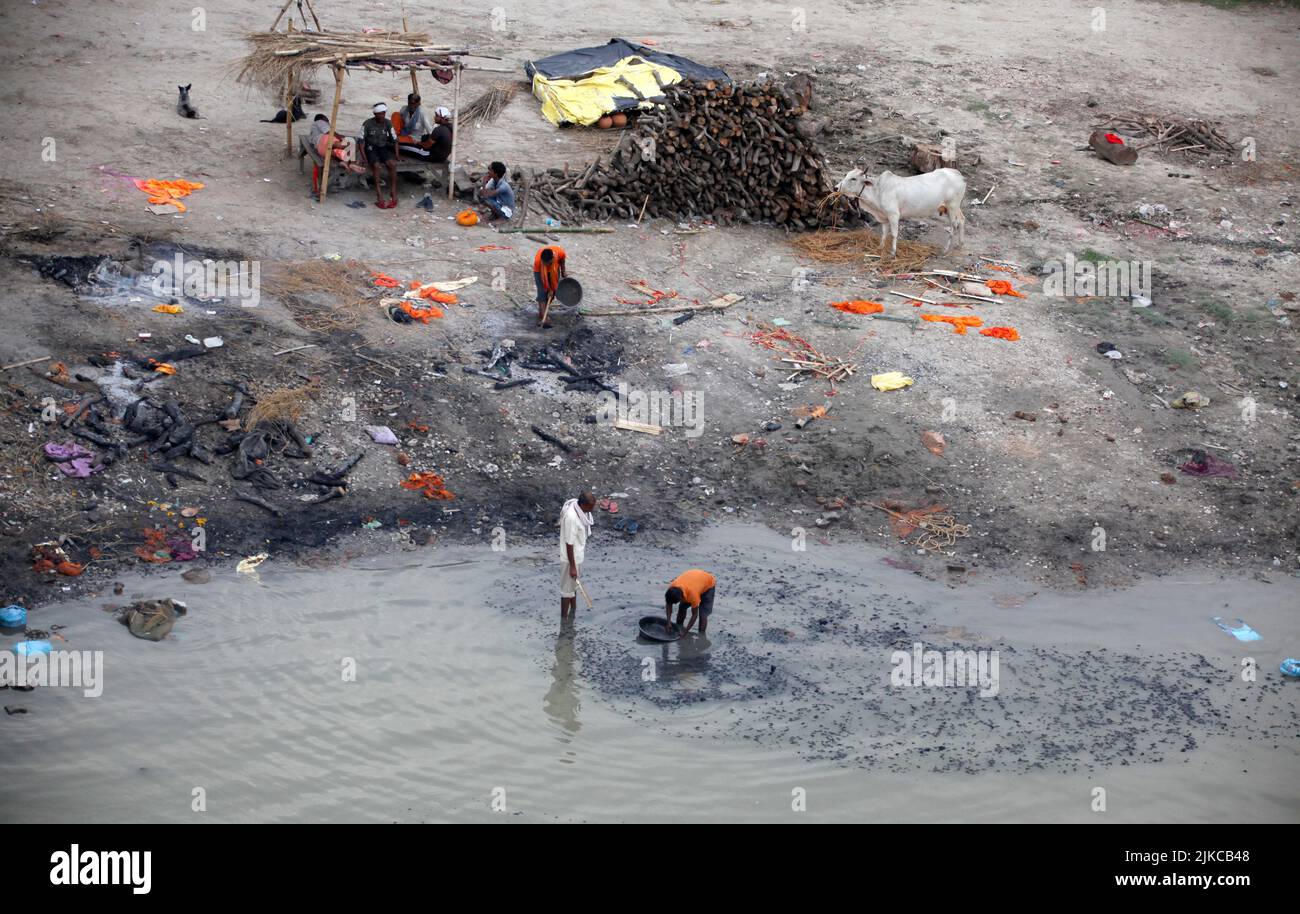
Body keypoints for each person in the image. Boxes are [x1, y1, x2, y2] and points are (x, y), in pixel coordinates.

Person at [559, 493, 596, 619]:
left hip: (576, 557)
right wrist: (572, 567)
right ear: (582, 504)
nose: (591, 510)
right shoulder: (571, 518)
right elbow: (569, 544)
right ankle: (564, 622)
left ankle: (573, 610)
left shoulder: (579, 510)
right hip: (570, 560)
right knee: (566, 591)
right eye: (590, 507)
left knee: (573, 585)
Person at [362, 103, 399, 209]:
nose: (381, 116)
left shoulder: (388, 123)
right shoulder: (367, 124)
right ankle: (379, 195)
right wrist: (364, 157)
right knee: (377, 166)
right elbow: (361, 142)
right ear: (375, 114)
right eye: (379, 114)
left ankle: (393, 191)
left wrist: (396, 155)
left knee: (392, 164)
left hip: (383, 148)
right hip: (371, 148)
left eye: (383, 113)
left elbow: (395, 140)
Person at [665, 569, 717, 635]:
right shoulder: (672, 588)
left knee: (703, 615)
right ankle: (678, 627)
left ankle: (701, 636)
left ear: (681, 597)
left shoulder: (692, 595)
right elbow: (668, 604)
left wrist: (686, 632)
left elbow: (694, 615)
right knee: (682, 608)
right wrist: (668, 622)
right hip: (693, 580)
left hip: (708, 585)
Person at [532, 244, 566, 328]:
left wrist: (563, 271)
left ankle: (543, 312)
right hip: (540, 271)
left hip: (554, 270)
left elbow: (562, 260)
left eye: (548, 263)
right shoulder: (538, 262)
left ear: (552, 259)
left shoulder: (559, 252)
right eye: (544, 263)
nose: (546, 265)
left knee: (553, 292)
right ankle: (543, 316)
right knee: (542, 293)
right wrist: (547, 288)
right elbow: (542, 284)